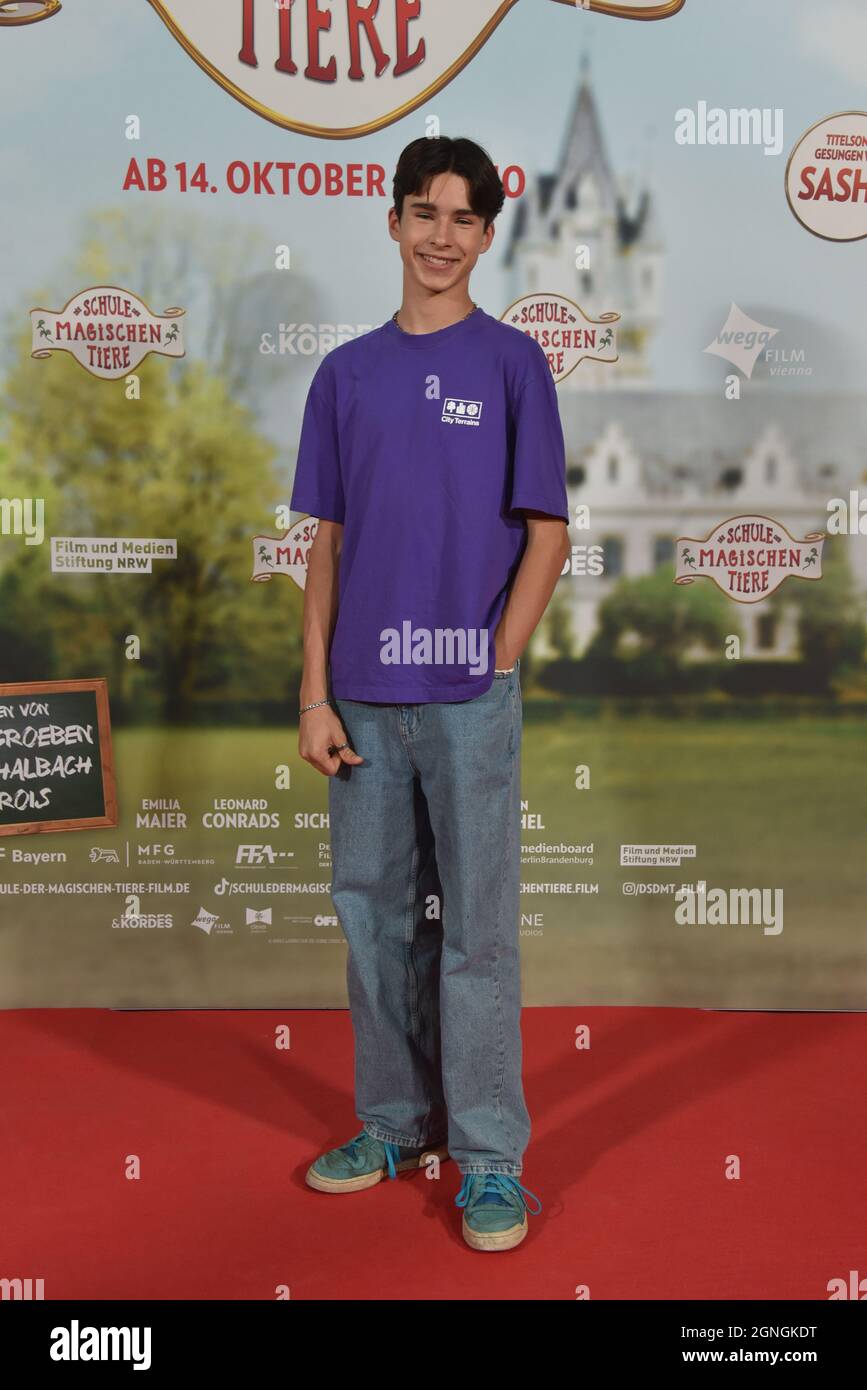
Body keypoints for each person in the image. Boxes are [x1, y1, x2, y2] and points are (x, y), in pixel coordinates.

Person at [290, 135, 570, 1252]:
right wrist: (314, 693)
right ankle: (395, 1126)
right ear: (394, 222)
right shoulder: (345, 373)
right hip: (359, 699)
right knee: (373, 924)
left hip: (466, 698)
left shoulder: (513, 365)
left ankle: (492, 1161)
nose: (442, 236)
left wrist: (494, 661)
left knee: (479, 940)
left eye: (464, 218)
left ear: (489, 235)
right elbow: (327, 543)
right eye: (424, 214)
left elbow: (546, 534)